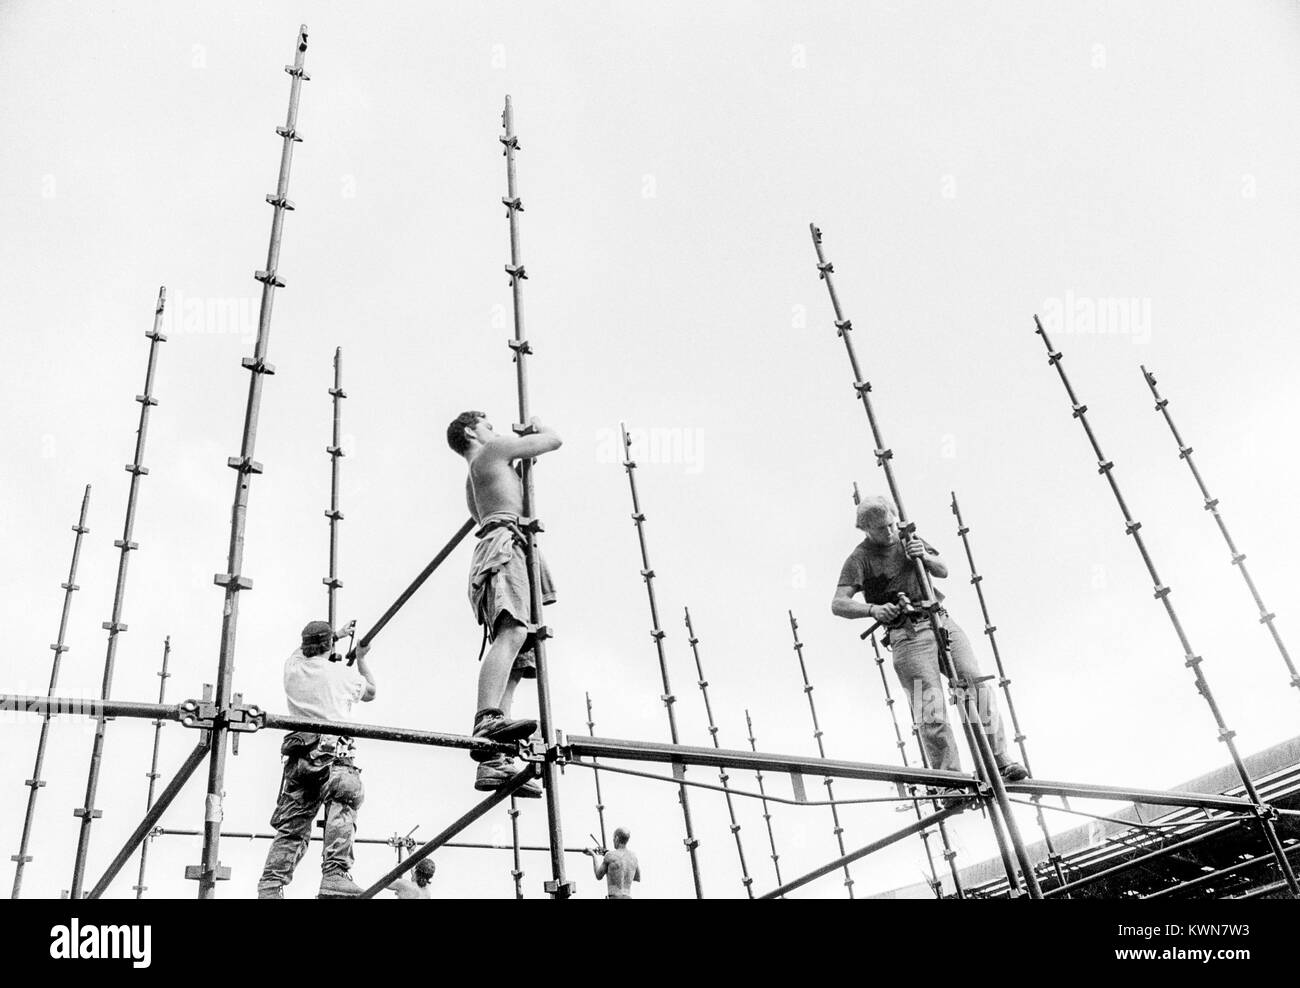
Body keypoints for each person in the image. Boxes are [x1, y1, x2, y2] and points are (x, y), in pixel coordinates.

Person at [831, 496, 1028, 784]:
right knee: (929, 704)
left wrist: (924, 556)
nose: (888, 533)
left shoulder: (909, 537)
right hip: (906, 633)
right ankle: (950, 779)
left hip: (940, 619)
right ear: (865, 530)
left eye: (890, 525)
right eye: (880, 530)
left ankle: (1001, 760)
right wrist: (873, 610)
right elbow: (838, 603)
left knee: (975, 682)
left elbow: (943, 570)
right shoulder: (859, 558)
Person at [447, 410, 562, 797]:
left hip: (509, 544)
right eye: (489, 425)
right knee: (511, 632)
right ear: (471, 432)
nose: (496, 431)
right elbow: (553, 439)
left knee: (518, 654)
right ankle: (487, 721)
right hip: (505, 547)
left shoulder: (476, 478)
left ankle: (496, 756)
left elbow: (522, 499)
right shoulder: (492, 452)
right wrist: (535, 425)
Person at [256, 621, 376, 899]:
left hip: (301, 758)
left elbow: (300, 650)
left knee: (293, 827)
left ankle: (271, 887)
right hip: (335, 756)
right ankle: (334, 874)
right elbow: (371, 691)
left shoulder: (293, 669)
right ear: (330, 646)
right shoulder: (342, 674)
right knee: (344, 802)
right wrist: (360, 658)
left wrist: (336, 635)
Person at [588, 827, 640, 899]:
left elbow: (598, 875)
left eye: (613, 838)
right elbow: (637, 877)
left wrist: (593, 855)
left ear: (617, 838)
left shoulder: (610, 856)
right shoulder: (633, 857)